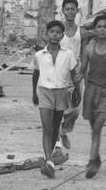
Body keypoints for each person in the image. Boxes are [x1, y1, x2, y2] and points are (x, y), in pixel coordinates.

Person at [32, 20, 80, 178]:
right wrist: (34, 93)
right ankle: (48, 160)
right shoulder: (39, 55)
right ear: (46, 34)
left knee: (54, 127)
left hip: (61, 92)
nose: (55, 35)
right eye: (52, 32)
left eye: (58, 32)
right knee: (46, 127)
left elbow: (74, 75)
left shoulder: (68, 54)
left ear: (62, 35)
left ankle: (49, 157)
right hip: (45, 92)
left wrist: (78, 91)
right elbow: (36, 74)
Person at [78, 12, 106, 178]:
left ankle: (92, 161)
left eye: (105, 27)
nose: (102, 30)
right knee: (93, 127)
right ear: (94, 30)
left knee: (98, 127)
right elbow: (82, 70)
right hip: (91, 91)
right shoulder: (89, 49)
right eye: (99, 27)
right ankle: (97, 157)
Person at [58, 0, 88, 150]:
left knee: (76, 108)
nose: (70, 12)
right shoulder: (58, 29)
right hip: (59, 71)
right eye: (67, 9)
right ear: (63, 11)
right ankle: (57, 140)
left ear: (77, 11)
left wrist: (82, 72)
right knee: (57, 106)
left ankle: (64, 130)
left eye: (72, 9)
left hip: (75, 71)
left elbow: (84, 53)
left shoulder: (81, 32)